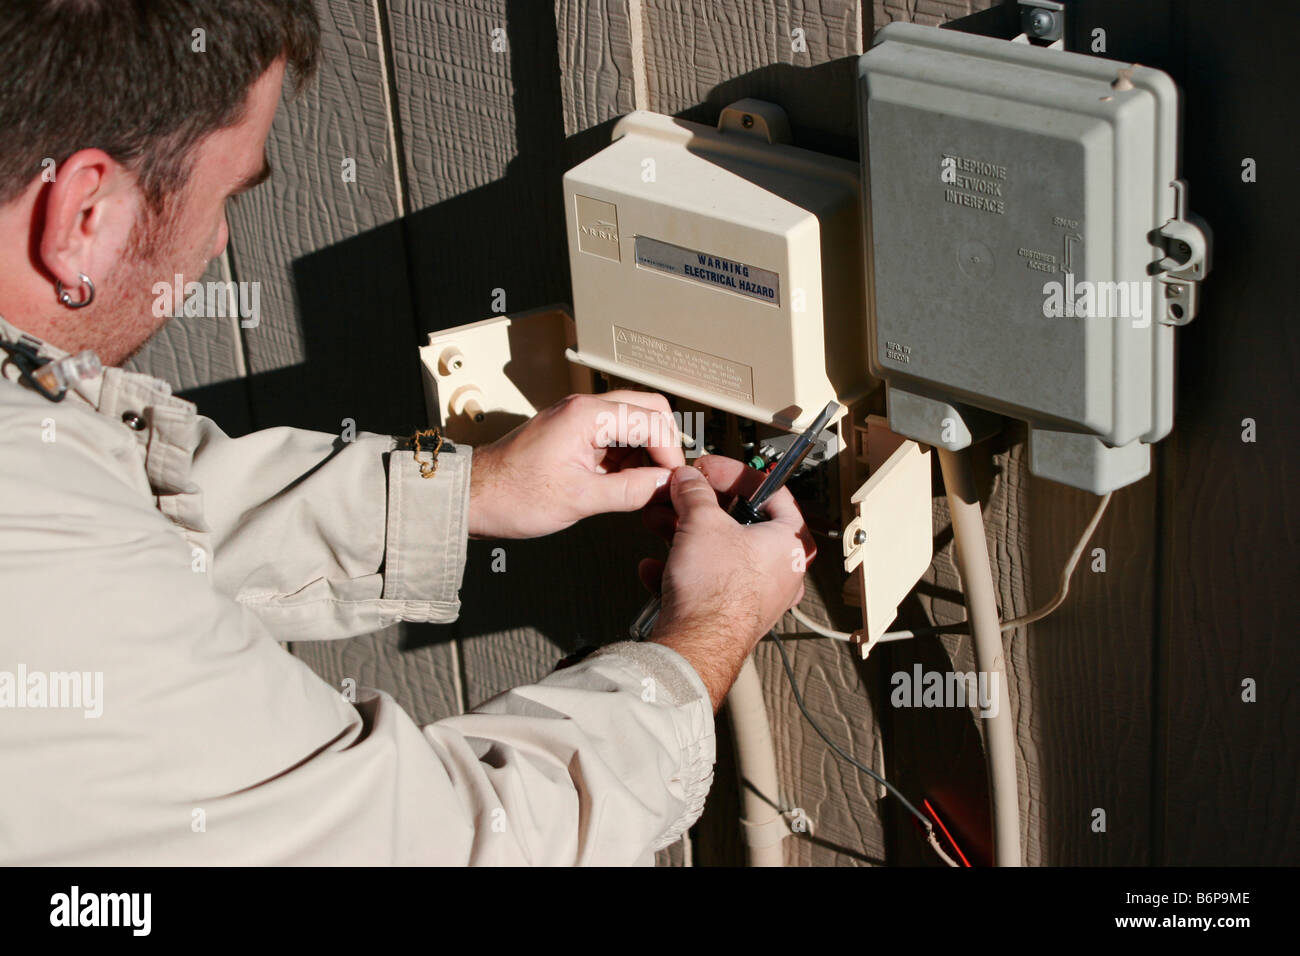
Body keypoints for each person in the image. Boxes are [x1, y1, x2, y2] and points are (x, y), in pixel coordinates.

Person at [0, 1, 814, 864]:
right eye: (226, 194)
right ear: (85, 213)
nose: (217, 245)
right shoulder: (48, 564)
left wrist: (476, 487)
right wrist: (701, 640)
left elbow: (156, 508)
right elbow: (455, 843)